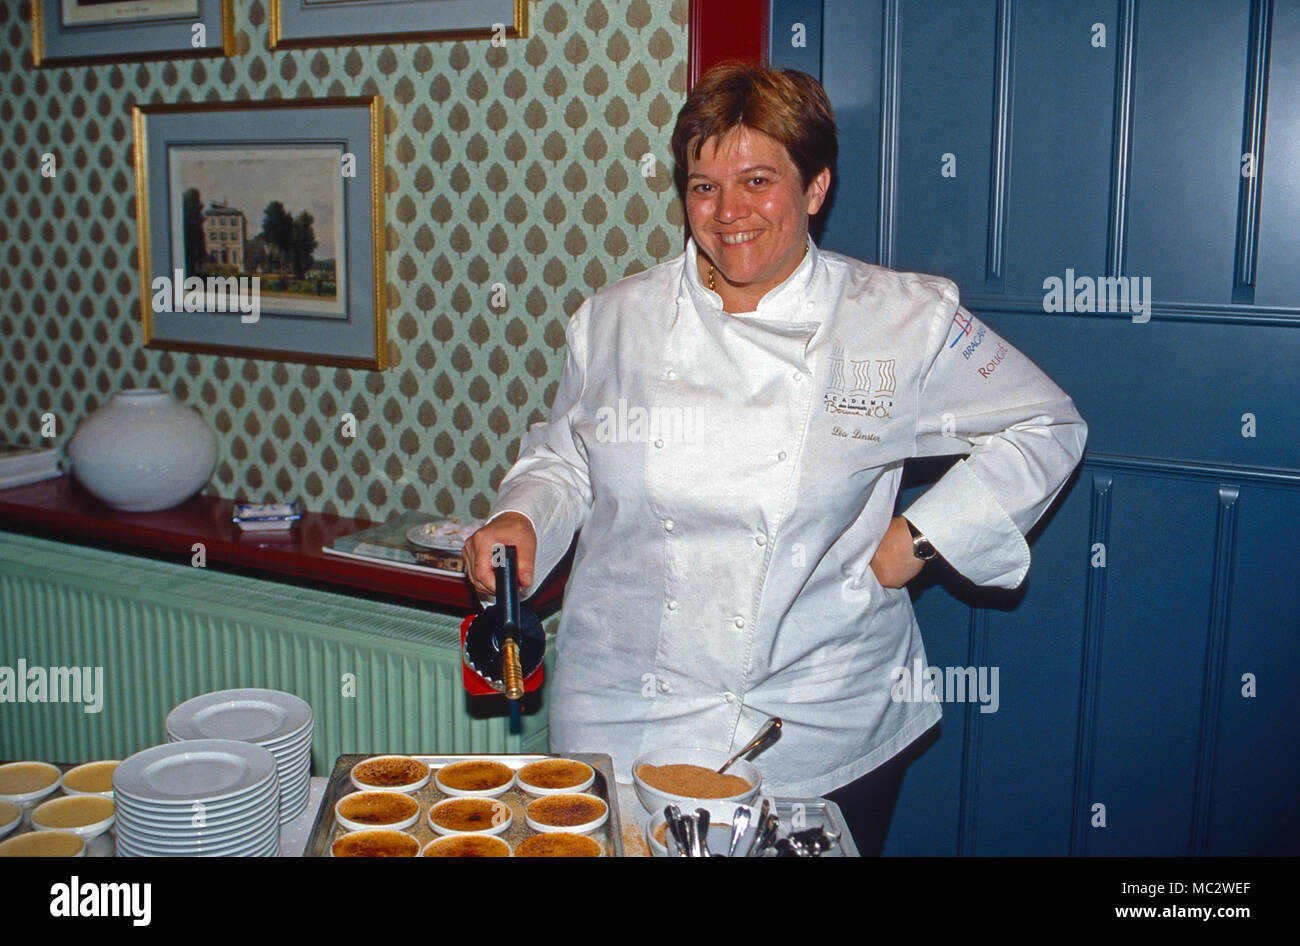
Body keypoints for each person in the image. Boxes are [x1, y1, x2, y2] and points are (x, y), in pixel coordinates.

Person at [465, 62, 1087, 854]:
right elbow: (569, 459)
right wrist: (522, 515)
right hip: (627, 707)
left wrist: (924, 538)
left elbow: (1047, 423)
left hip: (820, 717)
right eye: (702, 186)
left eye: (757, 180)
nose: (727, 213)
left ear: (816, 187)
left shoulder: (899, 321)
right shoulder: (615, 320)